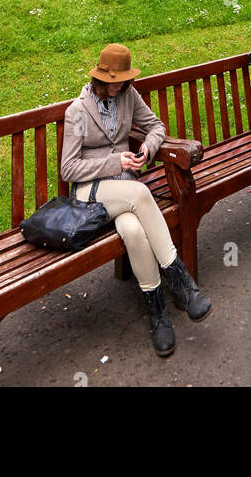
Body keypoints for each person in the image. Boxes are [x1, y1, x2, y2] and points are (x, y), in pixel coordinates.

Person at [60, 43, 211, 357]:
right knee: (142, 193)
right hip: (91, 191)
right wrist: (117, 162)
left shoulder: (128, 95)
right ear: (99, 77)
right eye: (114, 80)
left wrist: (147, 150)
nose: (119, 86)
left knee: (133, 231)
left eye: (123, 80)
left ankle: (157, 312)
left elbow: (156, 126)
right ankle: (182, 282)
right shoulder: (78, 111)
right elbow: (68, 168)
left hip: (124, 190)